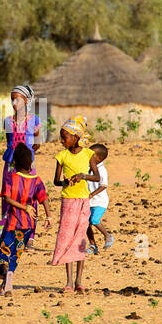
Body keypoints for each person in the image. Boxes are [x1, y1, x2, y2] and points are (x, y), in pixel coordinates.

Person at [0, 142, 49, 297]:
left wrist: (23, 207)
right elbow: (44, 198)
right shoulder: (36, 180)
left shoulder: (10, 178)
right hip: (28, 225)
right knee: (15, 254)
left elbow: (8, 199)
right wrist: (48, 216)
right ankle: (7, 282)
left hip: (12, 222)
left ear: (14, 162)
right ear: (31, 163)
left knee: (4, 251)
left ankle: (3, 274)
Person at [50, 115, 100, 294]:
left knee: (80, 240)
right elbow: (56, 181)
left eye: (65, 137)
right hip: (68, 201)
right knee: (66, 239)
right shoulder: (61, 156)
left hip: (83, 202)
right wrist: (65, 182)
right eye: (61, 137)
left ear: (76, 137)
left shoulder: (88, 154)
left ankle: (79, 281)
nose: (62, 141)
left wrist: (82, 175)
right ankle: (69, 282)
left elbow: (97, 177)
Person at [0, 84, 42, 243]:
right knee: (8, 195)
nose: (14, 103)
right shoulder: (7, 121)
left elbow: (37, 142)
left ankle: (30, 236)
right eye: (12, 99)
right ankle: (7, 232)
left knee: (29, 196)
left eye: (18, 100)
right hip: (10, 163)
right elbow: (10, 141)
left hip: (28, 164)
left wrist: (29, 153)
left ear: (27, 101)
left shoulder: (34, 120)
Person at [84, 143, 113, 255]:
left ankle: (108, 236)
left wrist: (92, 194)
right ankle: (93, 245)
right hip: (88, 201)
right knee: (86, 224)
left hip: (100, 201)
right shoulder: (87, 167)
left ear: (99, 159)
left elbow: (103, 185)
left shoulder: (102, 170)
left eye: (92, 155)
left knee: (94, 220)